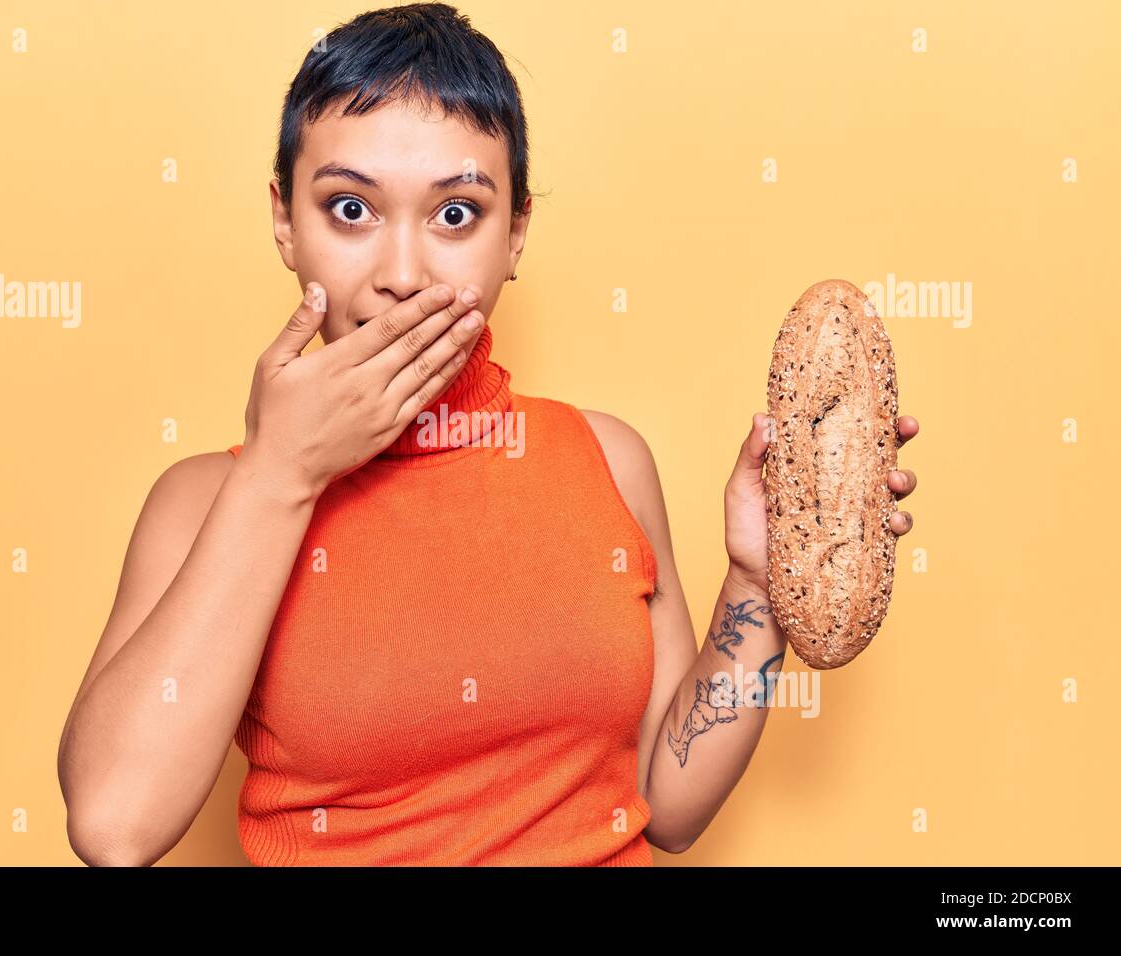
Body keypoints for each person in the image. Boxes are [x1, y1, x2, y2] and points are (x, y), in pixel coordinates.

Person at [57, 2, 921, 866]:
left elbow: (669, 809)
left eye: (457, 214)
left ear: (516, 233)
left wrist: (757, 588)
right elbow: (113, 826)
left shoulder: (607, 462)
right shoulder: (207, 501)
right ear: (285, 220)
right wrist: (282, 473)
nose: (402, 275)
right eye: (350, 209)